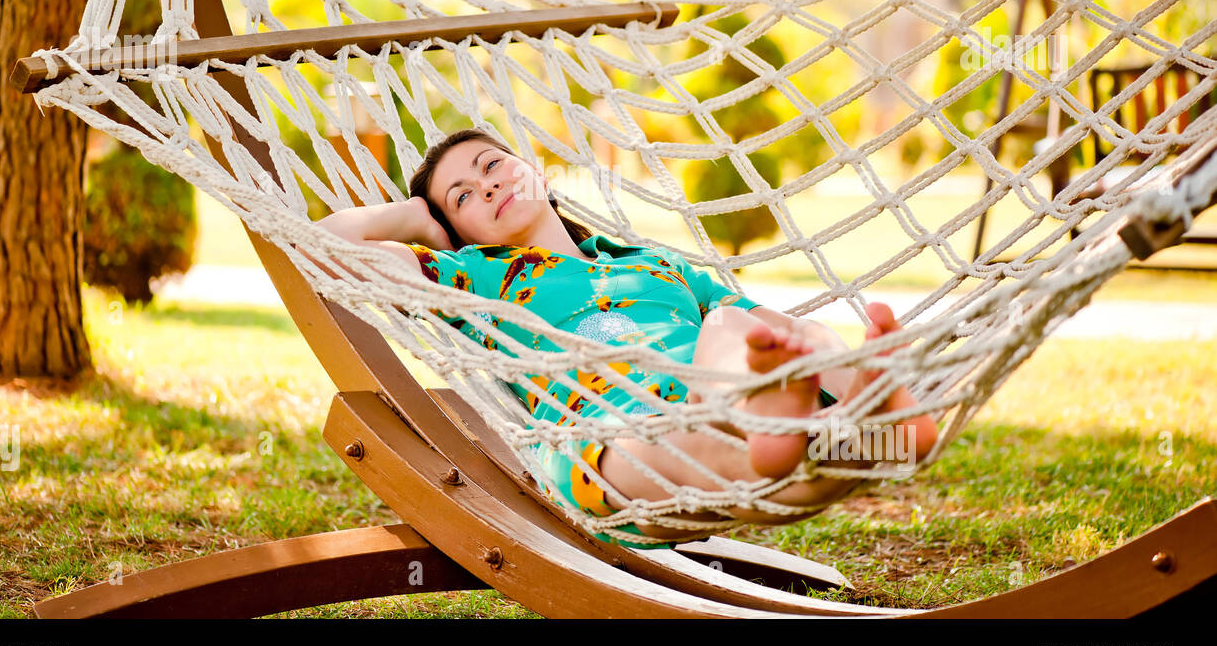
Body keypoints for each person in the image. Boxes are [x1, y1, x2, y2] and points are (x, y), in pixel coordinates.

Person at [309, 128, 939, 545]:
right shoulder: (470, 278)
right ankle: (800, 421)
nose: (489, 184)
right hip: (614, 436)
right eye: (463, 195)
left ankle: (862, 410)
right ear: (458, 234)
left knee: (756, 327)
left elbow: (763, 331)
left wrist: (791, 356)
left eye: (492, 165)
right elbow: (326, 248)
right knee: (733, 402)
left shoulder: (656, 265)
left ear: (534, 170)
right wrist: (417, 220)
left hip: (729, 399)